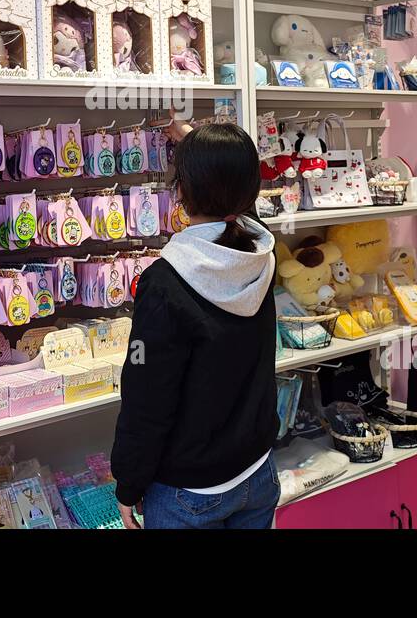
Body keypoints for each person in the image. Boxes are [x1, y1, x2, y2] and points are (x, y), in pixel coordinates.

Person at [111, 121, 279, 528]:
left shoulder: (165, 283)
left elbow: (147, 396)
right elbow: (237, 205)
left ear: (182, 192)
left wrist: (128, 485)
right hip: (257, 471)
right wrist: (201, 146)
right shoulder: (261, 256)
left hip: (188, 490)